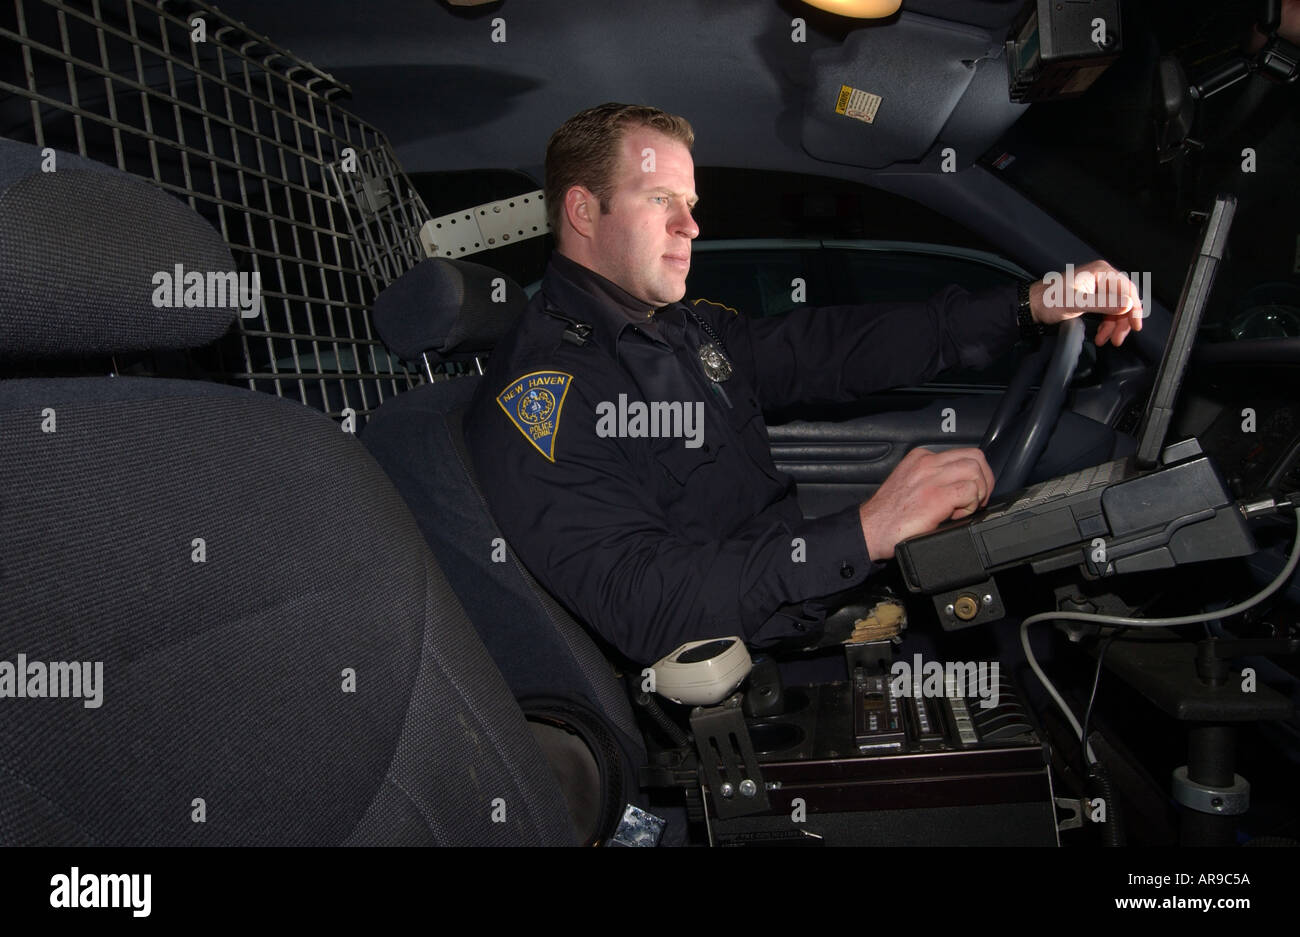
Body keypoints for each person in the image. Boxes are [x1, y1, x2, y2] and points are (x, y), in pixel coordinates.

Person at [465, 103, 1143, 666]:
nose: (692, 226)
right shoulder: (543, 392)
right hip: (748, 668)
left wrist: (1028, 305)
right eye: (660, 200)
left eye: (692, 203)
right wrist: (867, 530)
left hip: (800, 611)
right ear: (584, 212)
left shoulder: (679, 328)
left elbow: (831, 350)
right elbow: (648, 604)